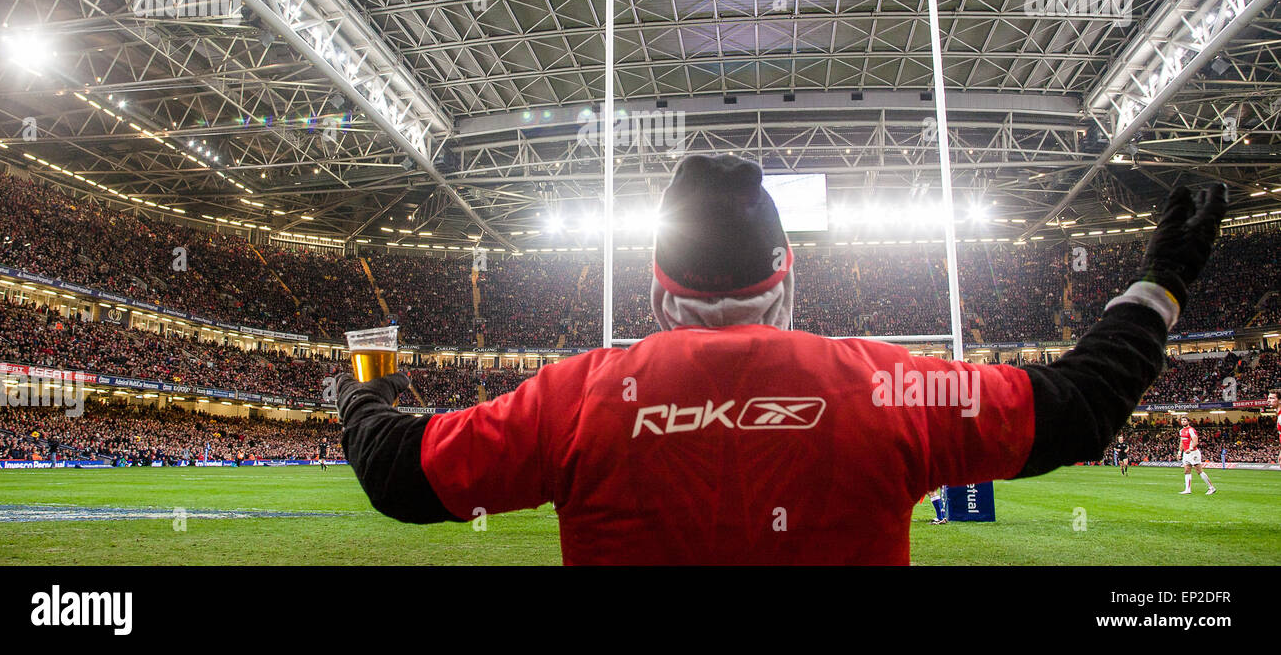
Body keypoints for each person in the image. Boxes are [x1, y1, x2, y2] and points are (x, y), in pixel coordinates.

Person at [335, 155, 1227, 564]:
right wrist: (1162, 282)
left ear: (656, 292)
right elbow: (1082, 403)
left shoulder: (580, 396)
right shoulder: (887, 385)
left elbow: (399, 477)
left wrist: (370, 392)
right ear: (787, 279)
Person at [1177, 416, 1215, 494]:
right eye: (1182, 420)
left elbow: (1195, 441)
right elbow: (1182, 442)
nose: (1183, 422)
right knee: (1187, 470)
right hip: (1186, 453)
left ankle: (1211, 488)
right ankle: (1188, 489)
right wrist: (1179, 452)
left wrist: (1190, 448)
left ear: (1188, 421)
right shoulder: (1181, 431)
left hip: (1193, 452)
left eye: (1185, 420)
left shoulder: (1191, 430)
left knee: (1199, 471)